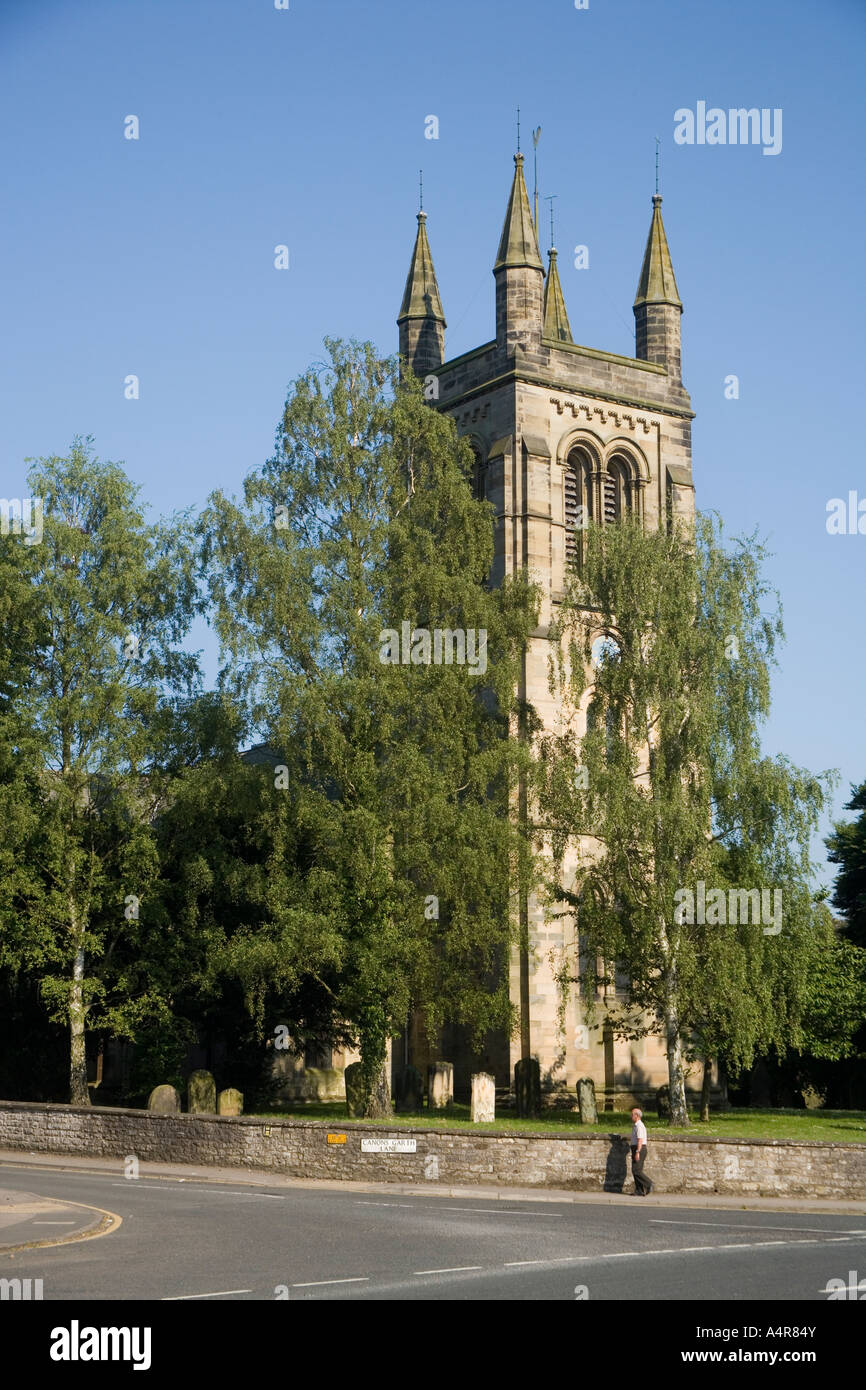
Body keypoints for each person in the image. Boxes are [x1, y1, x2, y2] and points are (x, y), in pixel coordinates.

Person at [629, 1106, 653, 1195]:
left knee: (636, 1170)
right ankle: (639, 1190)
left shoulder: (639, 1126)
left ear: (637, 1116)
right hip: (637, 1148)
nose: (631, 1116)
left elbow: (640, 1139)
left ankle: (648, 1183)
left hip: (639, 1149)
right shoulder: (636, 1125)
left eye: (632, 1115)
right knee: (636, 1170)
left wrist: (637, 1152)